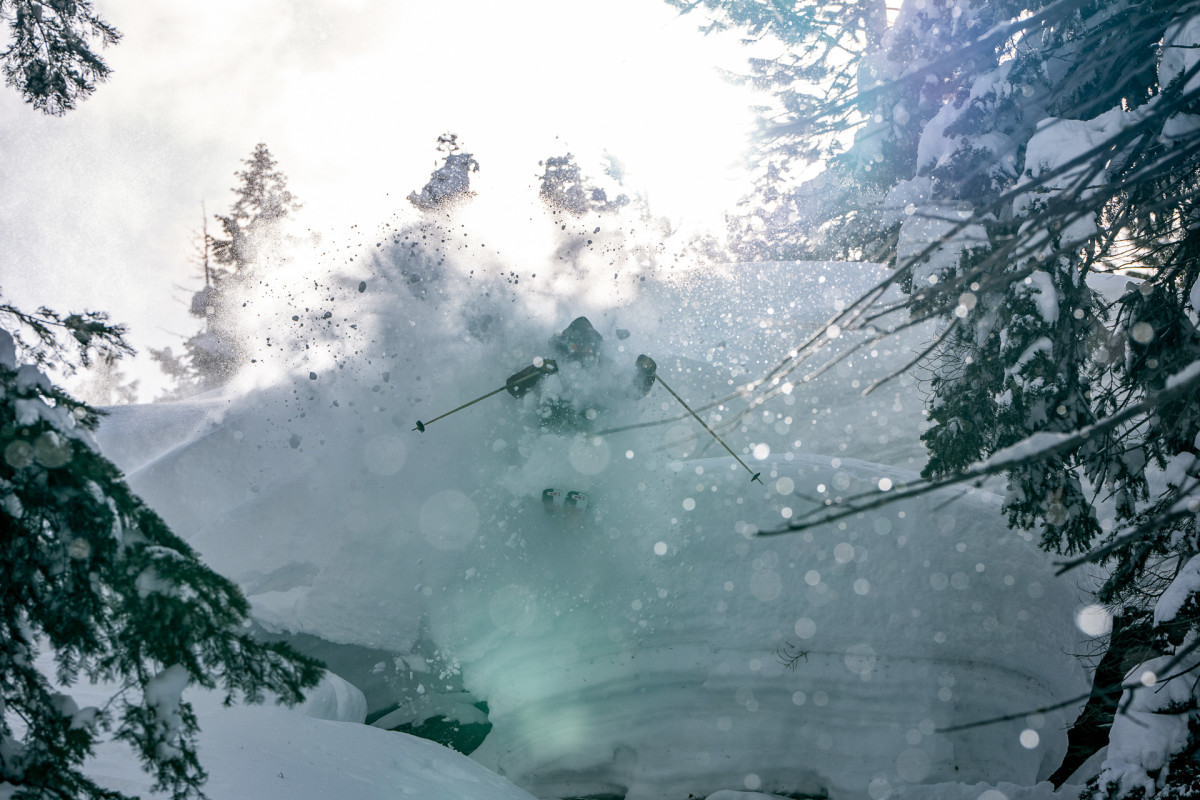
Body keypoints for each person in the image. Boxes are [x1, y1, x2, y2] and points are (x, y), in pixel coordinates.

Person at [504, 316, 656, 434]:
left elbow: (632, 392)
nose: (581, 350)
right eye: (575, 344)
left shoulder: (604, 367)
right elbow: (513, 387)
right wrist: (537, 372)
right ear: (566, 343)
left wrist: (647, 373)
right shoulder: (552, 363)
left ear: (594, 346)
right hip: (553, 433)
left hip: (594, 435)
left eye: (588, 345)